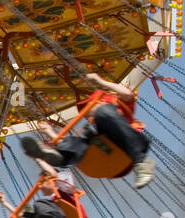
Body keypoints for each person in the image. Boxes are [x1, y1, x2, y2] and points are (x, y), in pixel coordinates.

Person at [20, 72, 155, 189]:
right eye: (87, 115)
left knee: (103, 113)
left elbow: (127, 94)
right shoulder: (98, 133)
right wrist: (49, 132)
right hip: (106, 162)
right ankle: (59, 157)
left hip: (132, 147)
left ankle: (141, 161)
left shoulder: (119, 108)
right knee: (80, 142)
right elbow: (69, 143)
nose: (89, 117)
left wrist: (100, 82)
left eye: (89, 112)